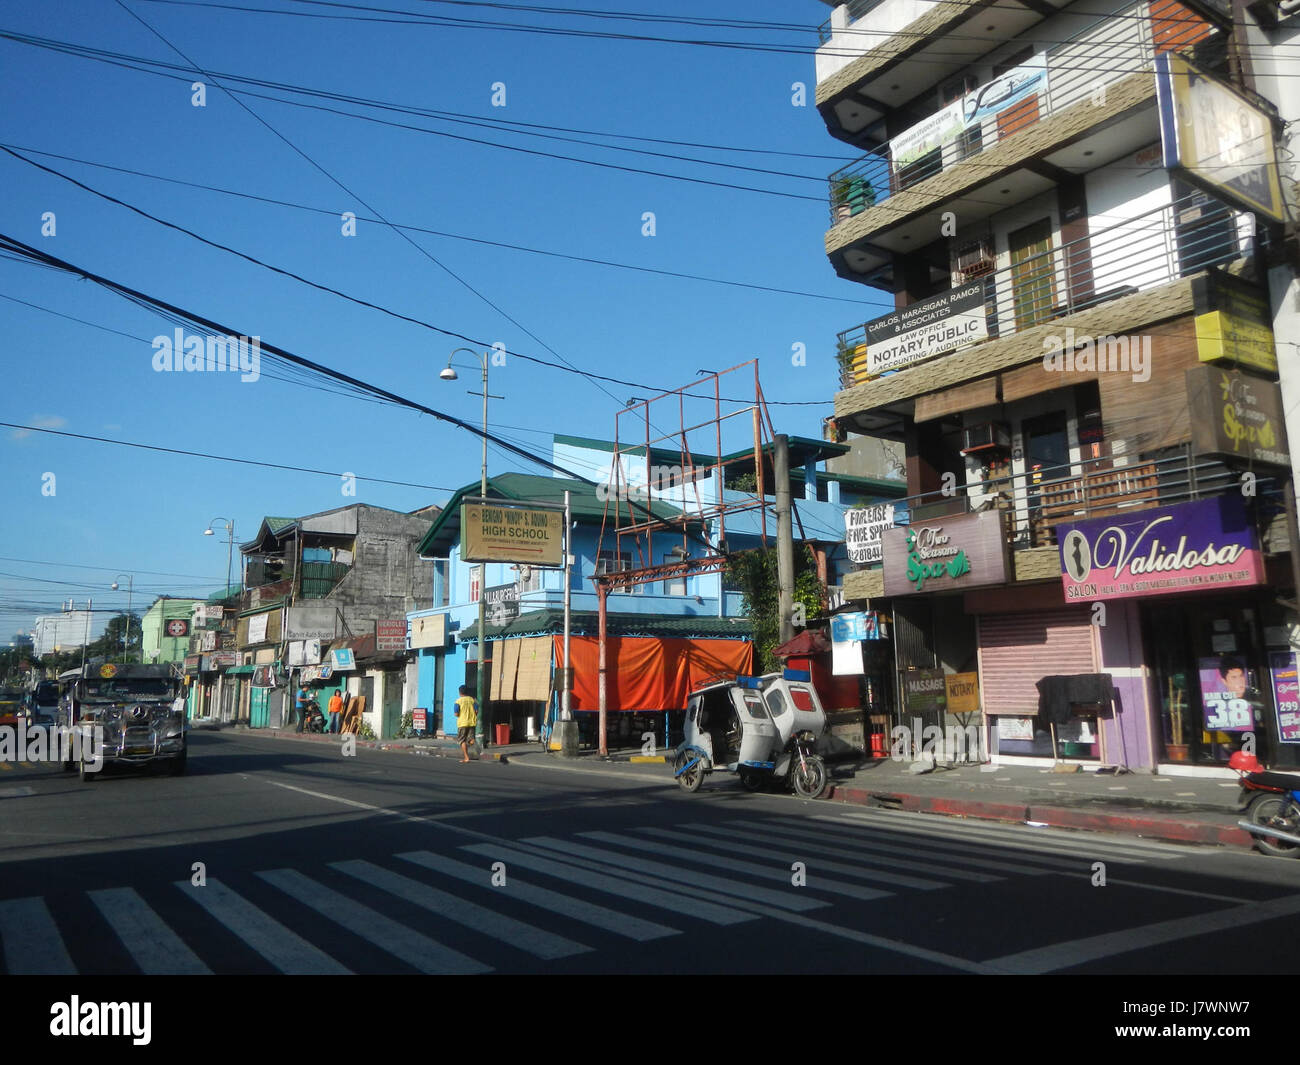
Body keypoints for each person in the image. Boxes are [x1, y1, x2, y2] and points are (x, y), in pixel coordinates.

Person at [455, 685, 478, 763]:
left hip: (462, 723)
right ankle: (472, 741)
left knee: (462, 741)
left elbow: (456, 714)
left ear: (459, 692)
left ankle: (466, 758)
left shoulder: (458, 701)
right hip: (471, 722)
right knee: (470, 739)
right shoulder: (472, 700)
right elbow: (476, 711)